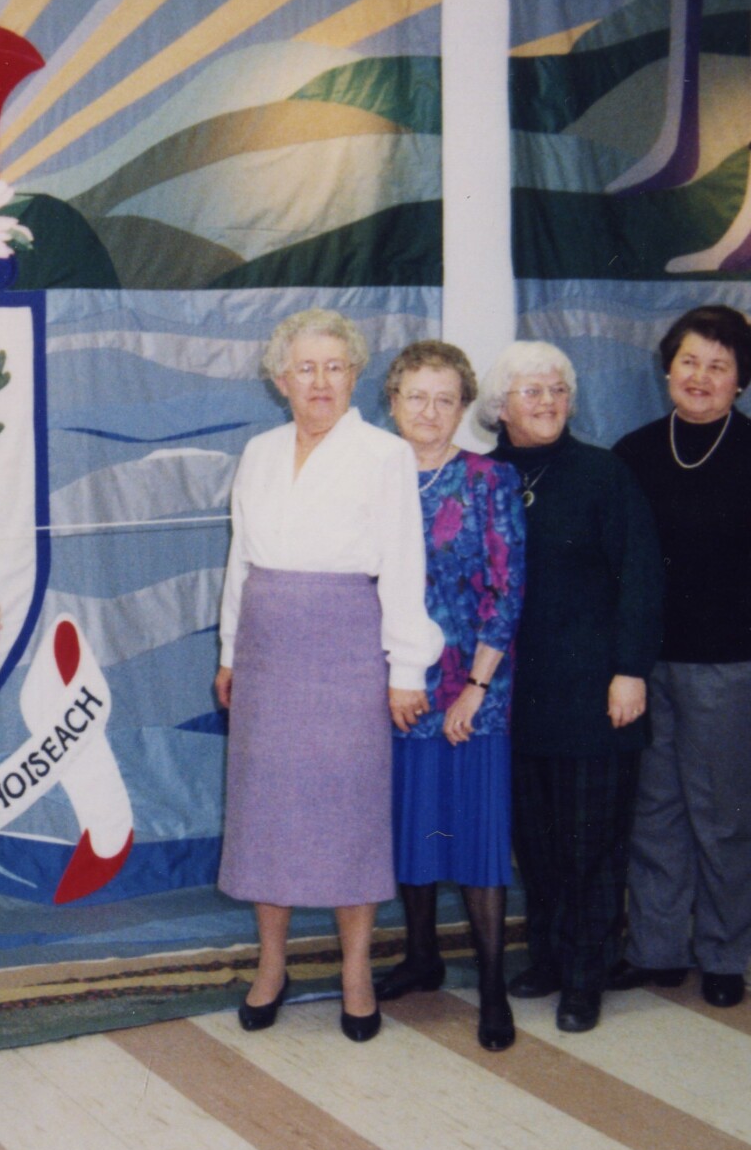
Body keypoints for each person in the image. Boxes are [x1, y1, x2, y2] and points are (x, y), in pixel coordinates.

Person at [216, 310, 445, 1043]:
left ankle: (354, 972)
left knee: (350, 812)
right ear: (280, 380)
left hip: (349, 648)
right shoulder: (256, 451)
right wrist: (228, 654)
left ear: (355, 375)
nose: (320, 381)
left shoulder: (384, 456)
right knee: (267, 816)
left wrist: (406, 668)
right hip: (266, 651)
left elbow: (407, 566)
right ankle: (273, 966)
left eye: (334, 367)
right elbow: (238, 563)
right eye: (305, 369)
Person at [613, 307, 751, 1008]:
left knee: (724, 816)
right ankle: (655, 950)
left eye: (719, 366)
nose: (701, 377)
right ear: (668, 368)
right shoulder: (634, 453)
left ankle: (722, 953)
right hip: (649, 664)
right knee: (655, 811)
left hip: (736, 667)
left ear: (742, 380)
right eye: (689, 362)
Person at [482, 341, 663, 1035]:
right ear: (499, 408)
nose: (549, 402)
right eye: (531, 392)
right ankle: (551, 959)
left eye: (557, 390)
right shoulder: (488, 477)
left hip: (596, 696)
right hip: (514, 698)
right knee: (538, 842)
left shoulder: (602, 474)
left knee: (591, 846)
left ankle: (586, 979)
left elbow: (641, 577)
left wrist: (631, 671)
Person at [369, 342, 526, 1053]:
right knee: (416, 827)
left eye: (444, 399)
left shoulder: (489, 480)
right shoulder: (370, 477)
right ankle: (422, 956)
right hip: (394, 689)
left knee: (476, 839)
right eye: (415, 397)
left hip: (472, 692)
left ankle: (492, 985)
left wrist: (477, 689)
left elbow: (507, 591)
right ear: (393, 402)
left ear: (463, 409)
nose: (429, 412)